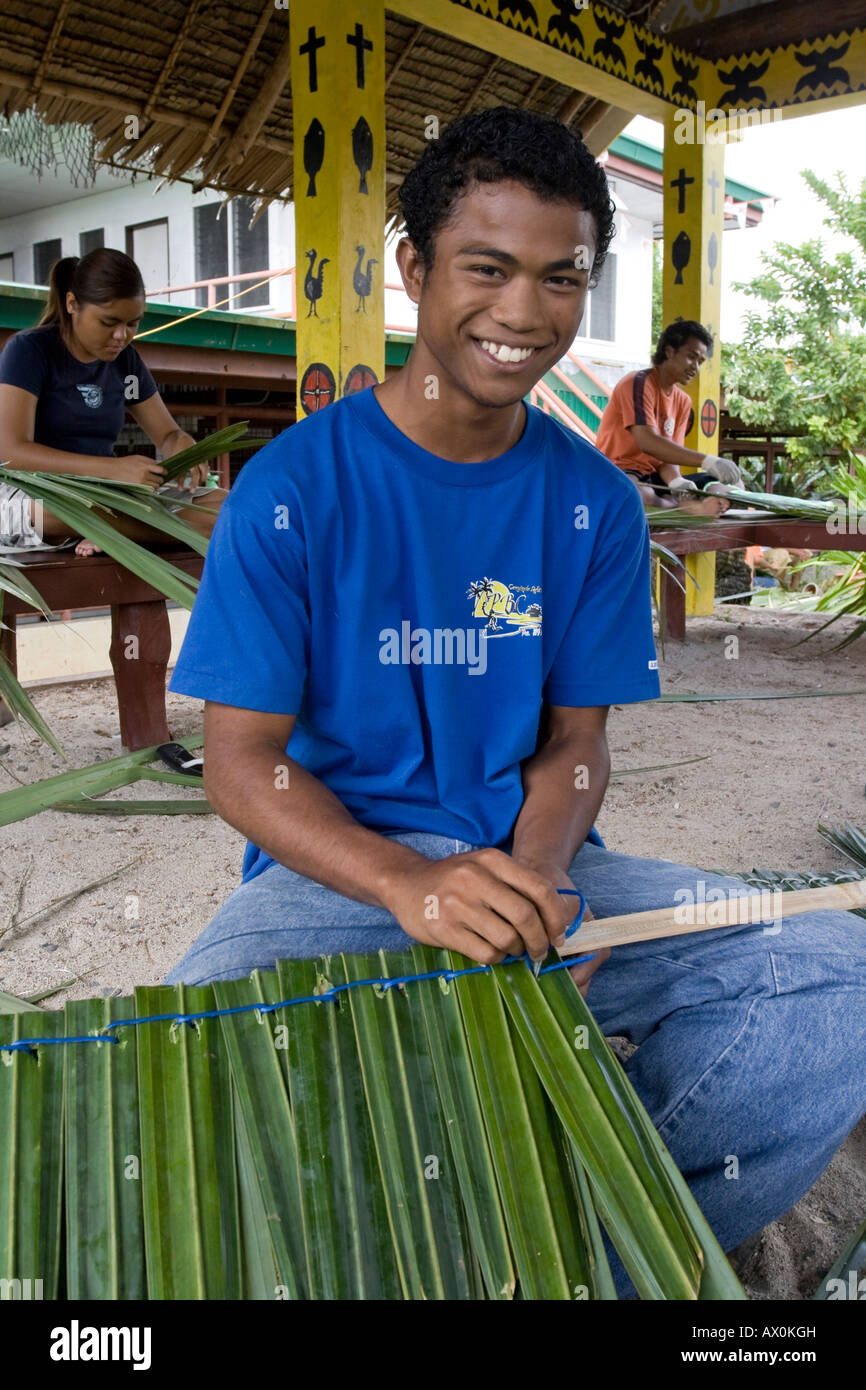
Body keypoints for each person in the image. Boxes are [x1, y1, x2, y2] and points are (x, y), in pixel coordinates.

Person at [164, 108, 864, 1294]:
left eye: (560, 277)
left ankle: (578, 1245)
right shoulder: (292, 486)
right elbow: (243, 762)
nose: (524, 311)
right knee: (172, 1068)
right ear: (415, 271)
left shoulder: (590, 501)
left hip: (537, 880)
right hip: (339, 885)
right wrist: (408, 883)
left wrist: (536, 886)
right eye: (486, 268)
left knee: (832, 979)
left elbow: (577, 748)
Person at [0, 247, 227, 556]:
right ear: (72, 304)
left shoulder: (125, 363)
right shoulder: (29, 351)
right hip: (34, 496)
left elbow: (169, 434)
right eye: (109, 322)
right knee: (69, 511)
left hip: (108, 496)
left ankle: (117, 532)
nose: (122, 335)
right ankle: (121, 531)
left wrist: (184, 446)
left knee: (226, 505)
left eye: (133, 323)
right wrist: (109, 470)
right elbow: (11, 453)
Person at [596, 319, 742, 516]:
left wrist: (676, 482)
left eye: (700, 362)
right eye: (691, 357)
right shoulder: (638, 383)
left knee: (733, 485)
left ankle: (685, 503)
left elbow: (668, 455)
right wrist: (707, 460)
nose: (695, 367)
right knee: (633, 494)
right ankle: (686, 508)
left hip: (657, 479)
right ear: (669, 351)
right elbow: (647, 441)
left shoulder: (682, 401)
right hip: (621, 473)